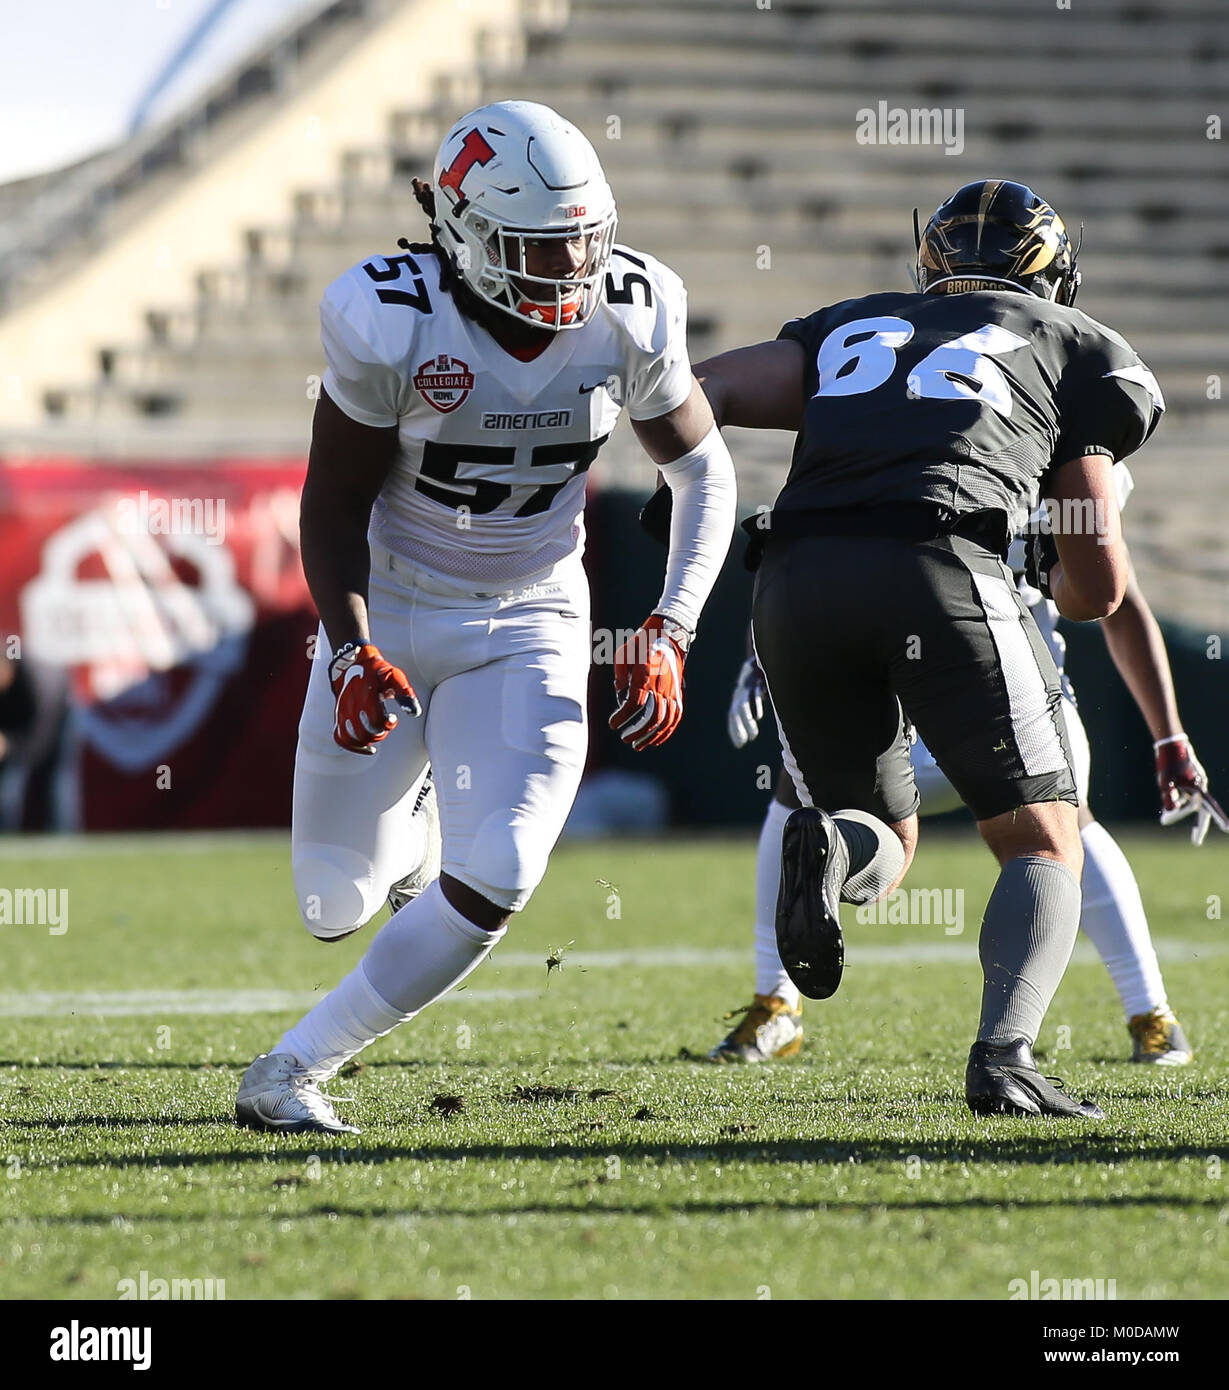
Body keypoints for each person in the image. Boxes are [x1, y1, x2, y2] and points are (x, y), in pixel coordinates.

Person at [235, 100, 736, 1134]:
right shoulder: (392, 315)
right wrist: (349, 647)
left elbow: (702, 474)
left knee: (502, 865)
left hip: (529, 615)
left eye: (580, 245)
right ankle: (410, 837)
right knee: (332, 903)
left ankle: (294, 1066)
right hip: (394, 600)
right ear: (462, 230)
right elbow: (328, 504)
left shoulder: (632, 311)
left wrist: (672, 630)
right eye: (536, 249)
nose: (566, 273)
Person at [691, 178, 1168, 1118]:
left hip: (792, 577)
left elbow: (698, 390)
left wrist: (685, 498)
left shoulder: (850, 326)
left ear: (930, 265)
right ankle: (1005, 1055)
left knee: (884, 832)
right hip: (941, 565)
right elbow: (1099, 582)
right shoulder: (1071, 347)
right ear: (1054, 278)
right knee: (1042, 835)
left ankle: (829, 848)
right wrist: (1056, 589)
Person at [715, 522, 1226, 1064]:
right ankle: (779, 1002)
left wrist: (1170, 735)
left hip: (1017, 701)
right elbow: (793, 540)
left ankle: (1149, 1013)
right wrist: (768, 655)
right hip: (911, 716)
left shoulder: (1043, 449)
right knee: (803, 797)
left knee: (1063, 821)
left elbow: (1113, 594)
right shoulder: (869, 448)